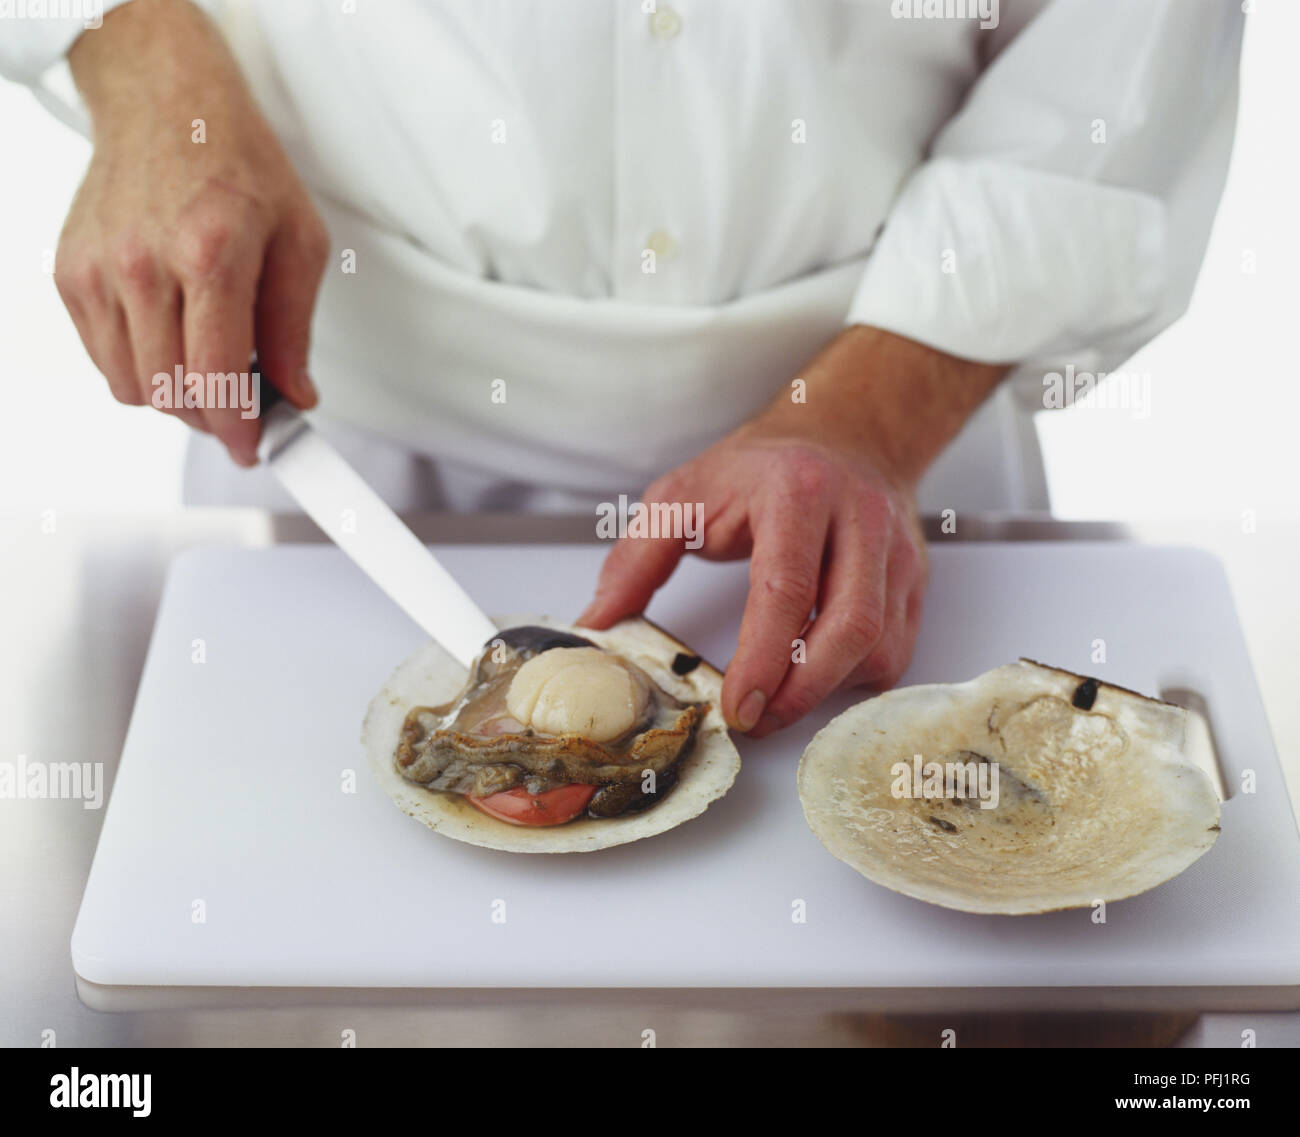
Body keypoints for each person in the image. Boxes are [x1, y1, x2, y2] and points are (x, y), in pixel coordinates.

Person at [1, 0, 1243, 736]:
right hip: (335, 435)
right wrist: (145, 56)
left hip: (889, 475)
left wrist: (869, 412)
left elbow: (1118, 41)